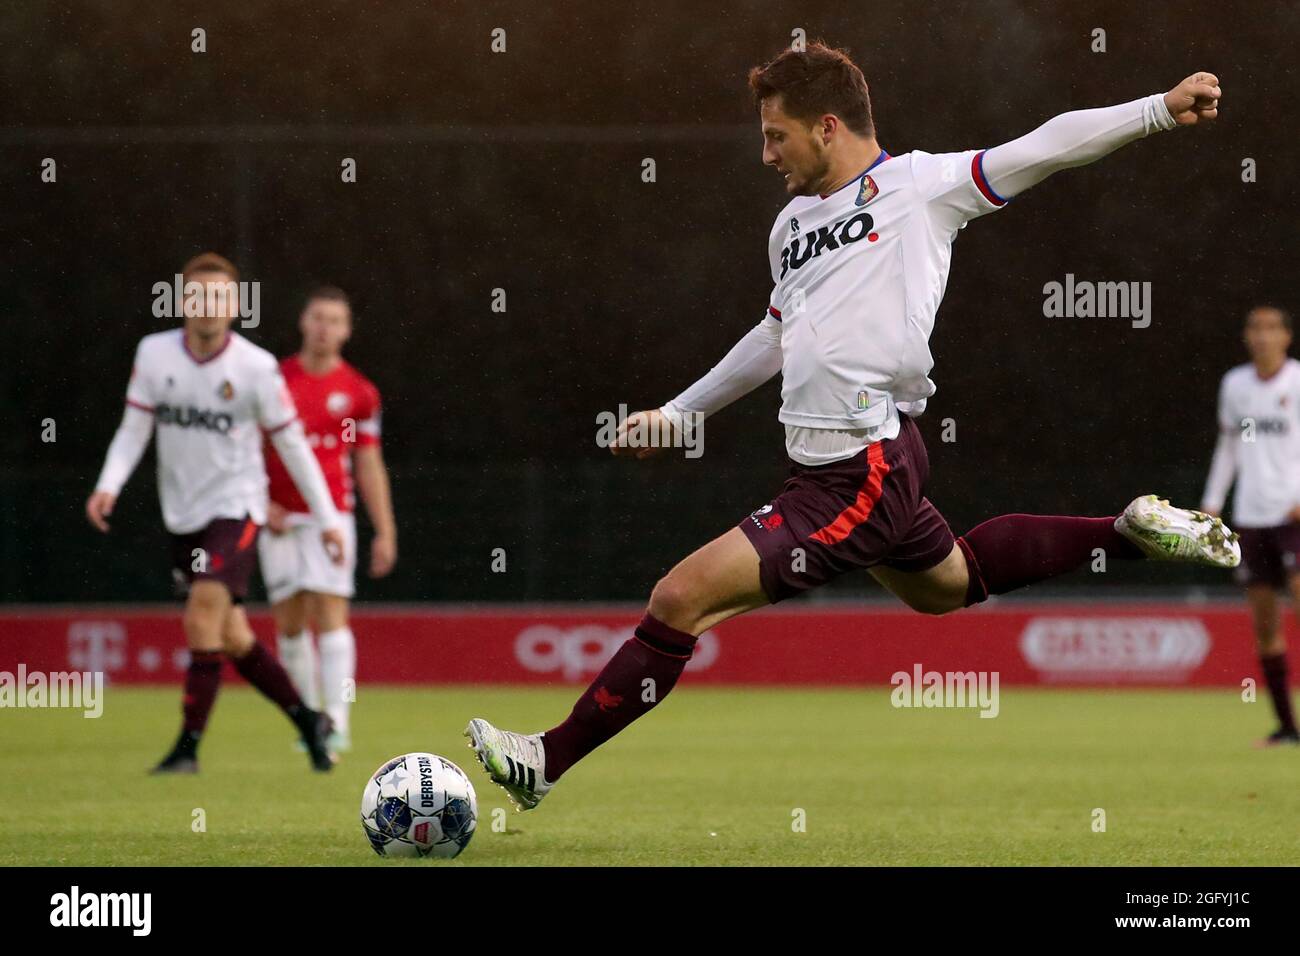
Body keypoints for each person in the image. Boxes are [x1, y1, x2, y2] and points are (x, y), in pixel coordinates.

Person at [465, 44, 1237, 810]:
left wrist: (1157, 111)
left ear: (828, 126)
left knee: (678, 598)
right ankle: (1125, 531)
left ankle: (544, 761)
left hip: (859, 468)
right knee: (947, 585)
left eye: (777, 135)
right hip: (849, 466)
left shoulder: (921, 187)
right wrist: (680, 412)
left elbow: (1044, 146)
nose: (766, 152)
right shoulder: (793, 225)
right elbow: (773, 334)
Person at [87, 252, 346, 773]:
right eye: (198, 296)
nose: (209, 306)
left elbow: (293, 446)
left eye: (220, 297)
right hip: (183, 513)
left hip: (237, 507)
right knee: (232, 636)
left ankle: (187, 749)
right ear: (183, 301)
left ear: (234, 306)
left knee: (202, 612)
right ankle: (308, 720)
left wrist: (328, 518)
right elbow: (135, 428)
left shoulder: (255, 367)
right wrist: (108, 484)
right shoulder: (155, 354)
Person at [260, 285, 395, 753]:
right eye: (318, 318)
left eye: (335, 321)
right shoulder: (272, 381)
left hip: (332, 515)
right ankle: (307, 719)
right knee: (290, 623)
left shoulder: (358, 393)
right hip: (276, 518)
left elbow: (368, 463)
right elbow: (243, 450)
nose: (325, 328)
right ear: (303, 321)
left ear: (347, 330)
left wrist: (384, 529)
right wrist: (261, 503)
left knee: (331, 611)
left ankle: (336, 722)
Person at [1202, 305, 1300, 746]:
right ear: (1247, 337)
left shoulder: (1297, 381)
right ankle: (1286, 726)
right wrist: (1212, 502)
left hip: (1292, 515)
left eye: (1271, 328)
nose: (1263, 336)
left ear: (1286, 336)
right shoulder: (1235, 385)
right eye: (1255, 329)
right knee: (1265, 624)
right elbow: (1229, 446)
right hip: (1250, 517)